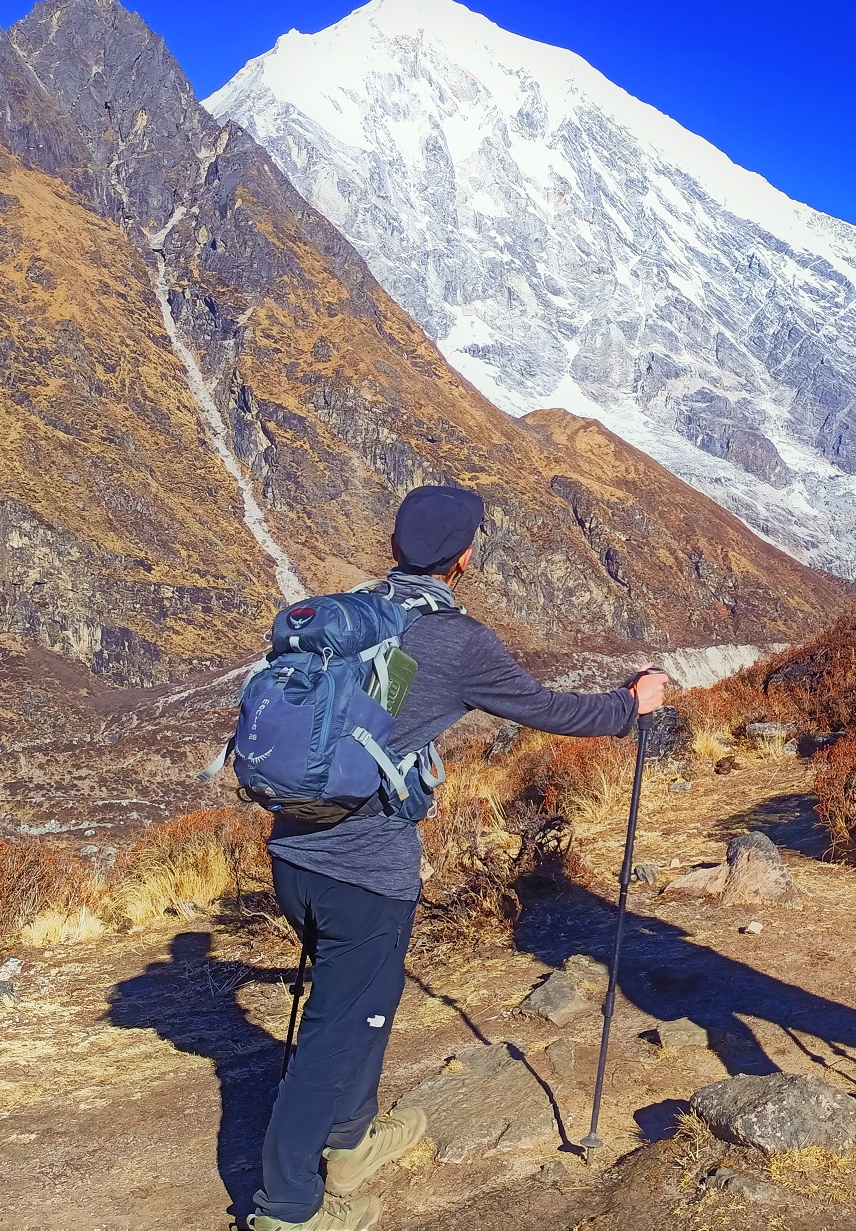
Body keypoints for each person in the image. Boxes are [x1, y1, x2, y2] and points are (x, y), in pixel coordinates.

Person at [248, 484, 669, 1231]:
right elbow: (547, 708)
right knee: (335, 1031)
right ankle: (287, 1208)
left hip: (294, 850)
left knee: (366, 1007)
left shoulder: (351, 615)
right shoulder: (455, 640)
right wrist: (626, 706)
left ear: (397, 548)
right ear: (466, 557)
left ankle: (351, 1146)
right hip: (366, 870)